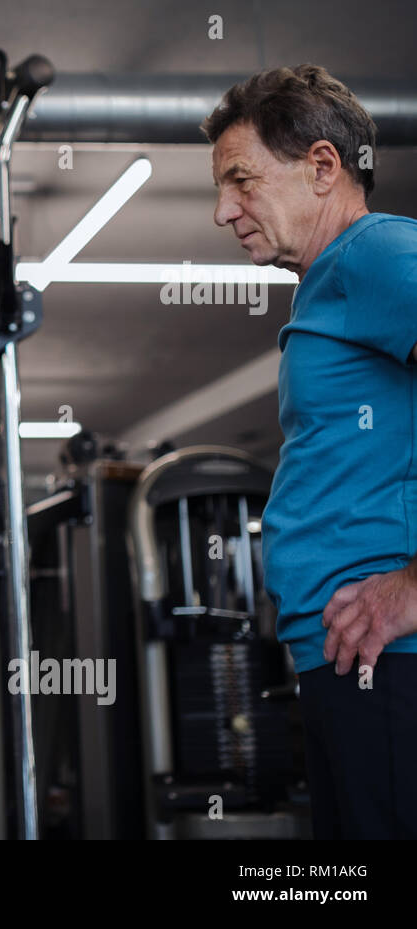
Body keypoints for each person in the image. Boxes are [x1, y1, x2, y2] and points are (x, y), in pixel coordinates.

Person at [204, 65, 417, 838]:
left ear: (323, 167)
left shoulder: (377, 255)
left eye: (242, 181)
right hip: (348, 656)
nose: (224, 210)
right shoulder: (332, 280)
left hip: (392, 653)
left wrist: (412, 586)